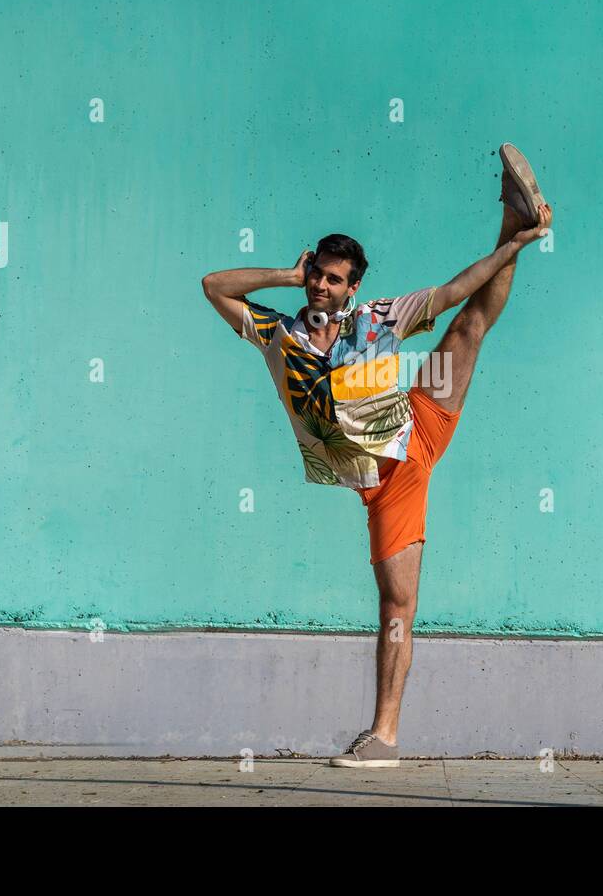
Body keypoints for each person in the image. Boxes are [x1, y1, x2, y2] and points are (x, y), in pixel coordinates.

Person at [201, 143, 552, 767]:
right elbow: (214, 286)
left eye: (335, 279)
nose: (323, 285)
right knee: (394, 604)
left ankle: (383, 737)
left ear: (353, 286)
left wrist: (514, 248)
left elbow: (452, 292)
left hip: (414, 432)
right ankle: (517, 222)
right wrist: (283, 276)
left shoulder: (378, 317)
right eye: (317, 275)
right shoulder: (278, 334)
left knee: (468, 324)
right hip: (380, 479)